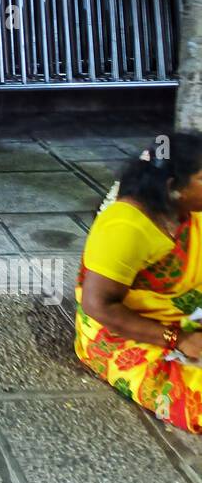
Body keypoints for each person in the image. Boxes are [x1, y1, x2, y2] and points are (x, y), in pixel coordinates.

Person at [76, 132, 202, 433]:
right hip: (127, 331)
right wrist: (180, 340)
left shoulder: (190, 212)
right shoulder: (125, 226)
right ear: (174, 188)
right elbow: (99, 306)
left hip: (188, 313)